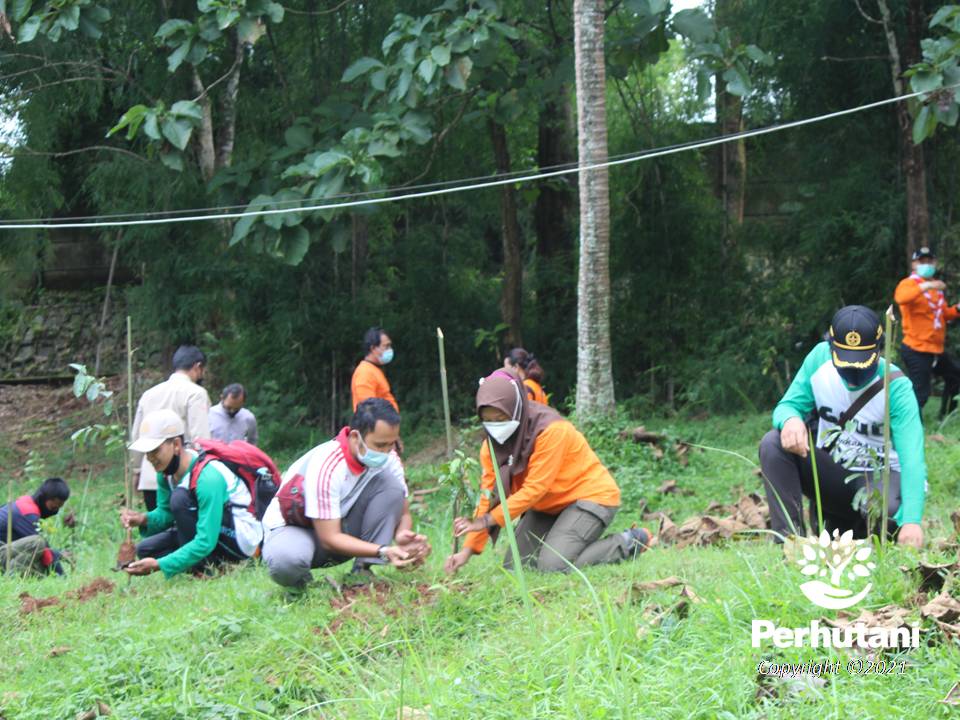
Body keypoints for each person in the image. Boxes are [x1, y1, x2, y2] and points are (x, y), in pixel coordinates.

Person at [445, 372, 652, 575]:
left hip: (590, 497)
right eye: (489, 421)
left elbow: (535, 488)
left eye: (501, 418)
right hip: (549, 505)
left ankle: (629, 542)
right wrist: (466, 551)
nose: (496, 427)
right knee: (516, 567)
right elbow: (488, 497)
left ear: (516, 408)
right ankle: (571, 542)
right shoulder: (490, 447)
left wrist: (488, 520)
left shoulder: (551, 430)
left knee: (553, 566)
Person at [759, 305, 925, 548]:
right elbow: (787, 406)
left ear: (879, 350)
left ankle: (868, 531)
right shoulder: (818, 359)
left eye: (862, 363)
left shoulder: (897, 387)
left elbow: (912, 457)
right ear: (831, 347)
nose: (853, 372)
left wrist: (911, 521)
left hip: (881, 476)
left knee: (884, 513)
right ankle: (789, 543)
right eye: (846, 363)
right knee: (772, 443)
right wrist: (791, 420)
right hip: (836, 472)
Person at [261, 398, 430, 589]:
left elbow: (404, 511)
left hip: (339, 527)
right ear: (356, 437)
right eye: (380, 445)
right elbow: (329, 538)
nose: (386, 452)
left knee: (391, 486)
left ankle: (362, 570)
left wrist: (402, 535)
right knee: (286, 561)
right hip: (296, 529)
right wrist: (384, 551)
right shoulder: (327, 465)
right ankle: (302, 589)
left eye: (391, 445)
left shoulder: (389, 458)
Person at [120, 408, 263, 578]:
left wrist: (161, 564)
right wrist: (143, 519)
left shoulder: (208, 477)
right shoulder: (165, 474)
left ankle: (206, 569)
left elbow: (205, 540)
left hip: (239, 539)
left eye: (155, 450)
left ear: (176, 445)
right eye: (147, 453)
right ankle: (202, 564)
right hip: (209, 531)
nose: (150, 458)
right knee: (146, 549)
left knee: (179, 499)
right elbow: (166, 514)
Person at [130, 345, 211, 511]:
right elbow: (201, 440)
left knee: (157, 530)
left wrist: (137, 470)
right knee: (183, 533)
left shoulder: (149, 394)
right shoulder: (196, 393)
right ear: (197, 366)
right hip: (181, 479)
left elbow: (137, 437)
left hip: (150, 477)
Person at [894, 246, 960, 417]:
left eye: (929, 261)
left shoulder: (935, 290)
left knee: (955, 377)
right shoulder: (908, 284)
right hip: (916, 348)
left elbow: (943, 314)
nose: (926, 264)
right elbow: (901, 298)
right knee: (921, 393)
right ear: (914, 264)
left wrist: (957, 309)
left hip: (935, 349)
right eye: (922, 261)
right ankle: (909, 425)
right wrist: (928, 285)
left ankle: (945, 417)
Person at [0, 478, 70, 576]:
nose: (55, 511)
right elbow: (44, 549)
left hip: (4, 550)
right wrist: (62, 574)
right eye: (53, 507)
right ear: (44, 498)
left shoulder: (24, 502)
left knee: (41, 571)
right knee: (38, 542)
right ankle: (12, 574)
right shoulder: (27, 512)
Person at [351, 327, 399, 412]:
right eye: (386, 346)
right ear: (373, 348)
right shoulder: (365, 373)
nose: (390, 350)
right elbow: (368, 409)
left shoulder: (374, 370)